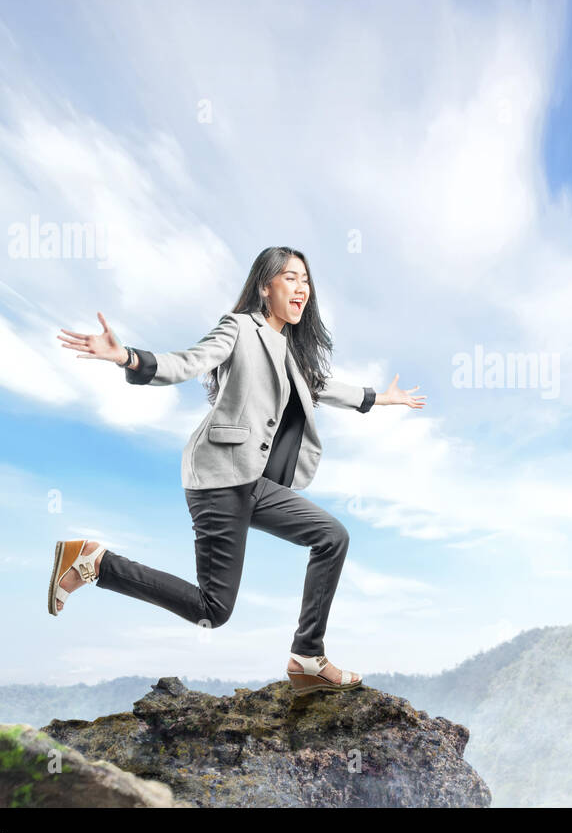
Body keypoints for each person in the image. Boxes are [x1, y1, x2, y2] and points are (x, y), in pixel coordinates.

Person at [48, 246, 425, 695]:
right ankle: (95, 562)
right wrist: (128, 357)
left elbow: (321, 388)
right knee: (213, 609)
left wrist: (383, 397)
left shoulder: (292, 350)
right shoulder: (238, 327)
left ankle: (307, 656)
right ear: (265, 286)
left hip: (254, 483)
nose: (301, 287)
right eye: (289, 277)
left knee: (331, 536)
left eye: (305, 279)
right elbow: (189, 362)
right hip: (218, 479)